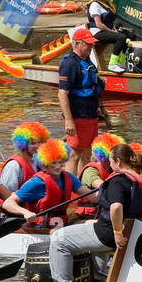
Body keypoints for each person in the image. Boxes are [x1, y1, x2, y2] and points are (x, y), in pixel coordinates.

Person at [46, 144, 142, 282]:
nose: (110, 165)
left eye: (111, 161)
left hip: (110, 235)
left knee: (58, 238)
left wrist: (117, 232)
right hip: (132, 234)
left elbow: (116, 207)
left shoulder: (119, 180)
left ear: (118, 161)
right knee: (87, 225)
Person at [1, 139, 81, 229]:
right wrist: (25, 212)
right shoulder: (33, 179)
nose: (58, 167)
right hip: (37, 224)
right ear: (45, 164)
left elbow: (92, 196)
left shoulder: (67, 177)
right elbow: (7, 202)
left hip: (58, 223)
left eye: (60, 162)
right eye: (54, 163)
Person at [58, 27, 105, 176]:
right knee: (74, 154)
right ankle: (71, 191)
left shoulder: (87, 61)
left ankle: (82, 185)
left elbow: (94, 87)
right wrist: (69, 121)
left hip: (90, 114)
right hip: (77, 116)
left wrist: (99, 108)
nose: (91, 47)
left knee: (87, 153)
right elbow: (62, 94)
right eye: (88, 44)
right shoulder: (70, 64)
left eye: (92, 44)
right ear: (77, 44)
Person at [73, 133, 124, 220]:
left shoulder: (111, 169)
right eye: (111, 158)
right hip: (89, 215)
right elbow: (102, 185)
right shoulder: (91, 170)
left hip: (104, 212)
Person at [86, 0, 129, 72]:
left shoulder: (107, 4)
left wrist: (114, 30)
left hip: (105, 31)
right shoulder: (94, 5)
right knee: (121, 38)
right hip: (97, 33)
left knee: (129, 35)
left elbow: (110, 22)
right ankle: (112, 64)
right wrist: (111, 32)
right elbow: (99, 24)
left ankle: (121, 62)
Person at [0, 122, 50, 193]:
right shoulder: (13, 166)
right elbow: (7, 193)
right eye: (33, 143)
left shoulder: (37, 160)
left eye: (40, 142)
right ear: (24, 145)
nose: (38, 146)